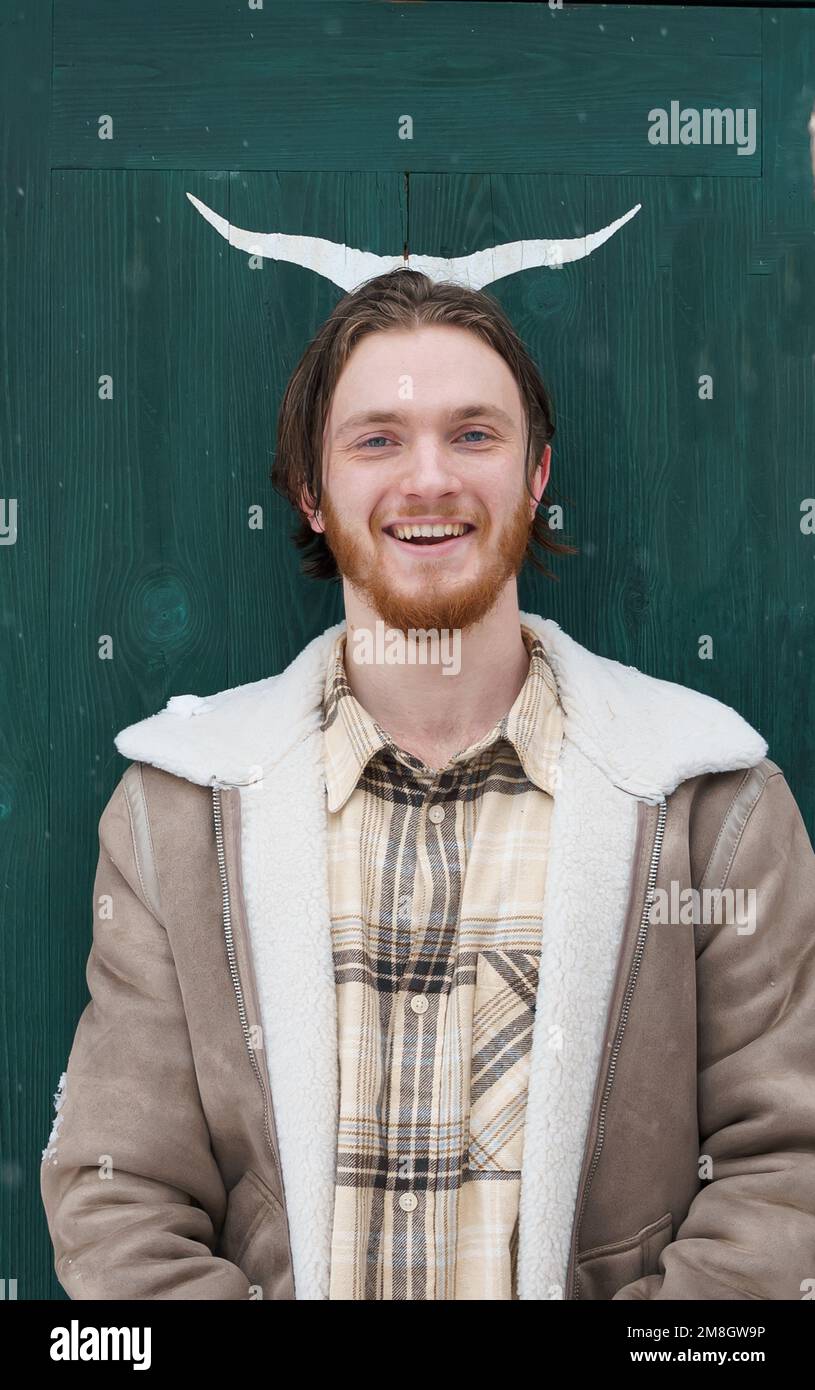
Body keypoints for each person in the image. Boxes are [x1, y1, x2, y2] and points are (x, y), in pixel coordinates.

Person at [41, 269, 815, 1300]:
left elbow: (784, 1174)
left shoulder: (712, 810)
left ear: (535, 474)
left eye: (472, 434)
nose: (427, 479)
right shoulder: (173, 819)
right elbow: (117, 1195)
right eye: (376, 439)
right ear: (311, 492)